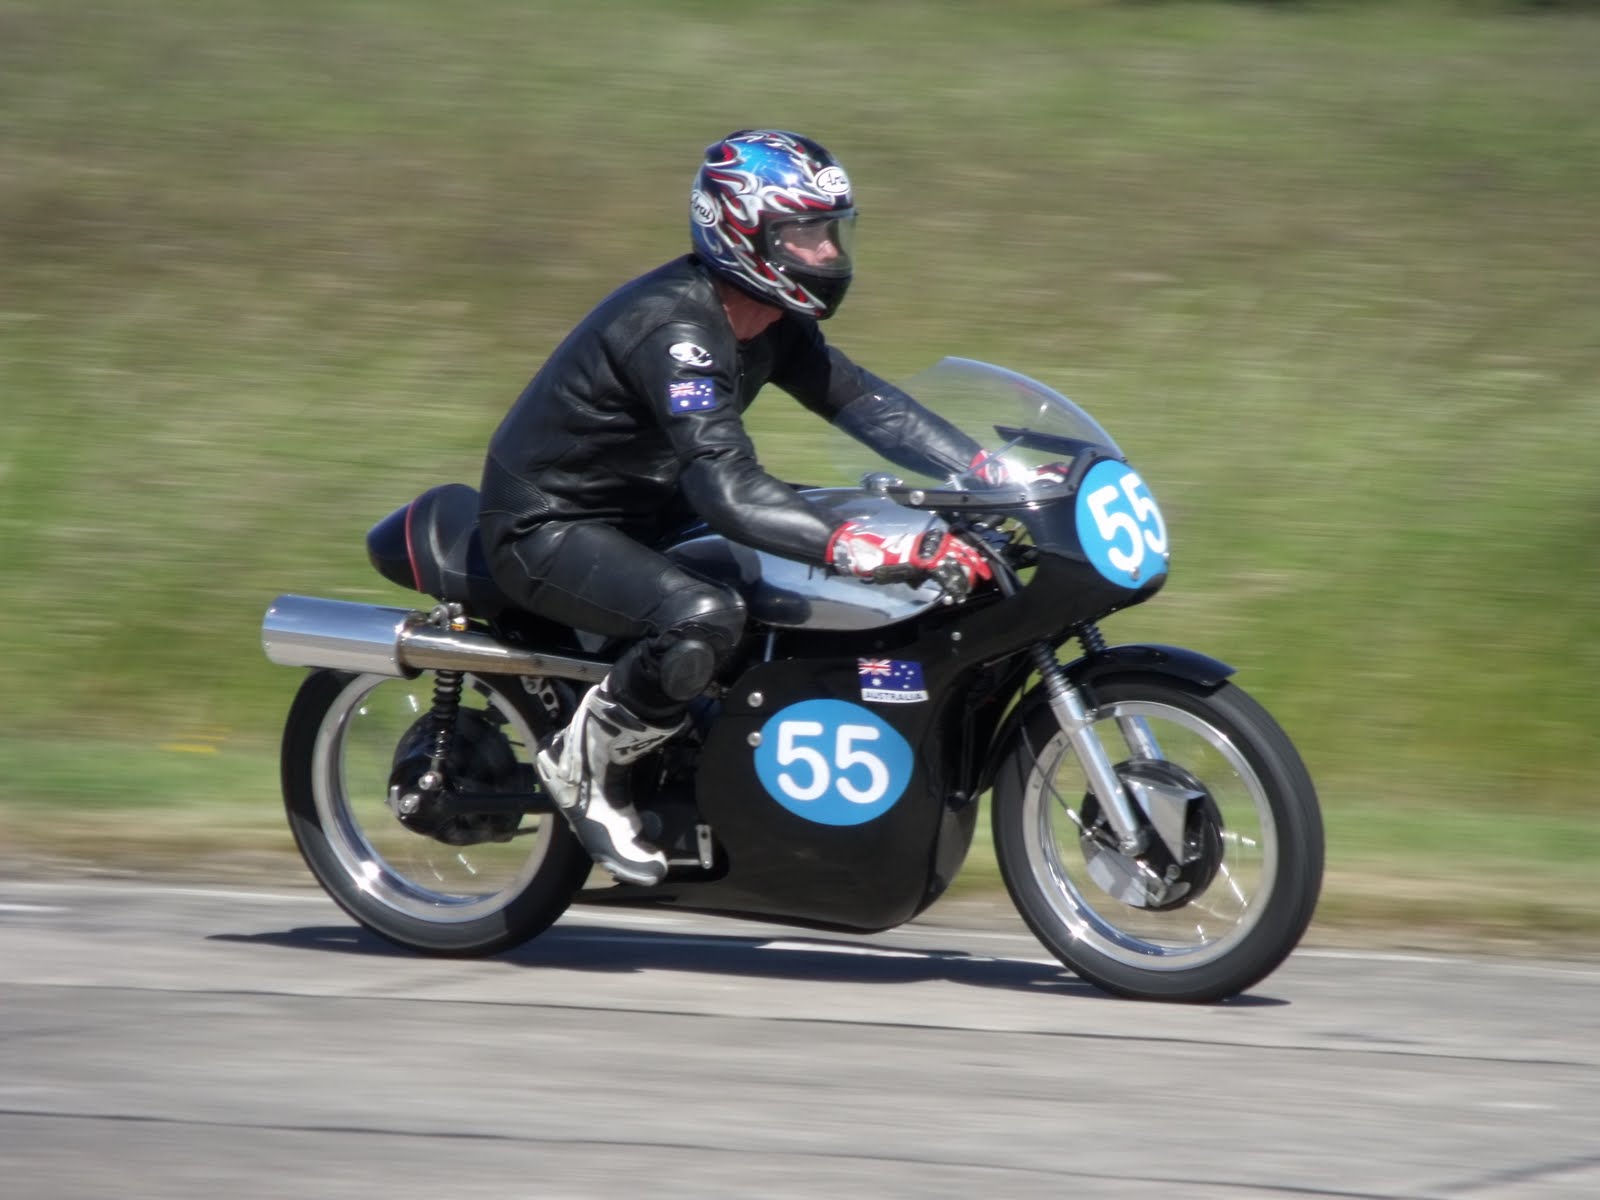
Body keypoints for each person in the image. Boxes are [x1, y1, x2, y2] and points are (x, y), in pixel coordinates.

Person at [478, 129, 996, 887]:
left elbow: (867, 404)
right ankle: (583, 765)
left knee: (797, 591)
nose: (826, 253)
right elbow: (726, 486)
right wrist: (856, 545)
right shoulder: (677, 329)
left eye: (831, 231)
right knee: (705, 616)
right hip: (551, 523)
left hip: (649, 510)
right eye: (804, 234)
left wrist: (983, 469)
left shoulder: (770, 323)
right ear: (741, 234)